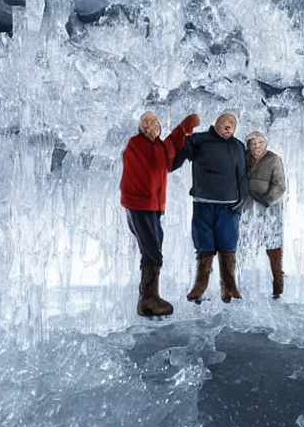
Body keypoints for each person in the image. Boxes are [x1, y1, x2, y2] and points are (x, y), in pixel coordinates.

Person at [120, 111, 200, 317]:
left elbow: (168, 152)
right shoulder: (136, 144)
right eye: (146, 122)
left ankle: (147, 298)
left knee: (154, 245)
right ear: (141, 127)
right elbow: (163, 159)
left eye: (154, 122)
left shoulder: (157, 146)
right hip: (140, 205)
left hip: (152, 206)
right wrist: (180, 139)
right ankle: (148, 299)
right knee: (152, 250)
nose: (151, 125)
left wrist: (184, 128)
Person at [172, 112, 249, 303]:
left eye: (232, 124)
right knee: (204, 244)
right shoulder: (198, 140)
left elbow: (243, 175)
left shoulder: (238, 146)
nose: (228, 127)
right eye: (225, 123)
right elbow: (177, 159)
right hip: (203, 203)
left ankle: (229, 287)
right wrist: (183, 134)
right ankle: (200, 285)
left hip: (229, 206)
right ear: (216, 124)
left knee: (228, 246)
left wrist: (242, 201)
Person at [241, 131, 287, 299]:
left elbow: (280, 185)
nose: (256, 147)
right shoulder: (244, 158)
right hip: (246, 208)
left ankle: (278, 286)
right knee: (242, 244)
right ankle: (236, 285)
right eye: (253, 144)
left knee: (273, 247)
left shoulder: (274, 159)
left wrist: (267, 200)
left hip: (270, 210)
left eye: (260, 143)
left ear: (265, 144)